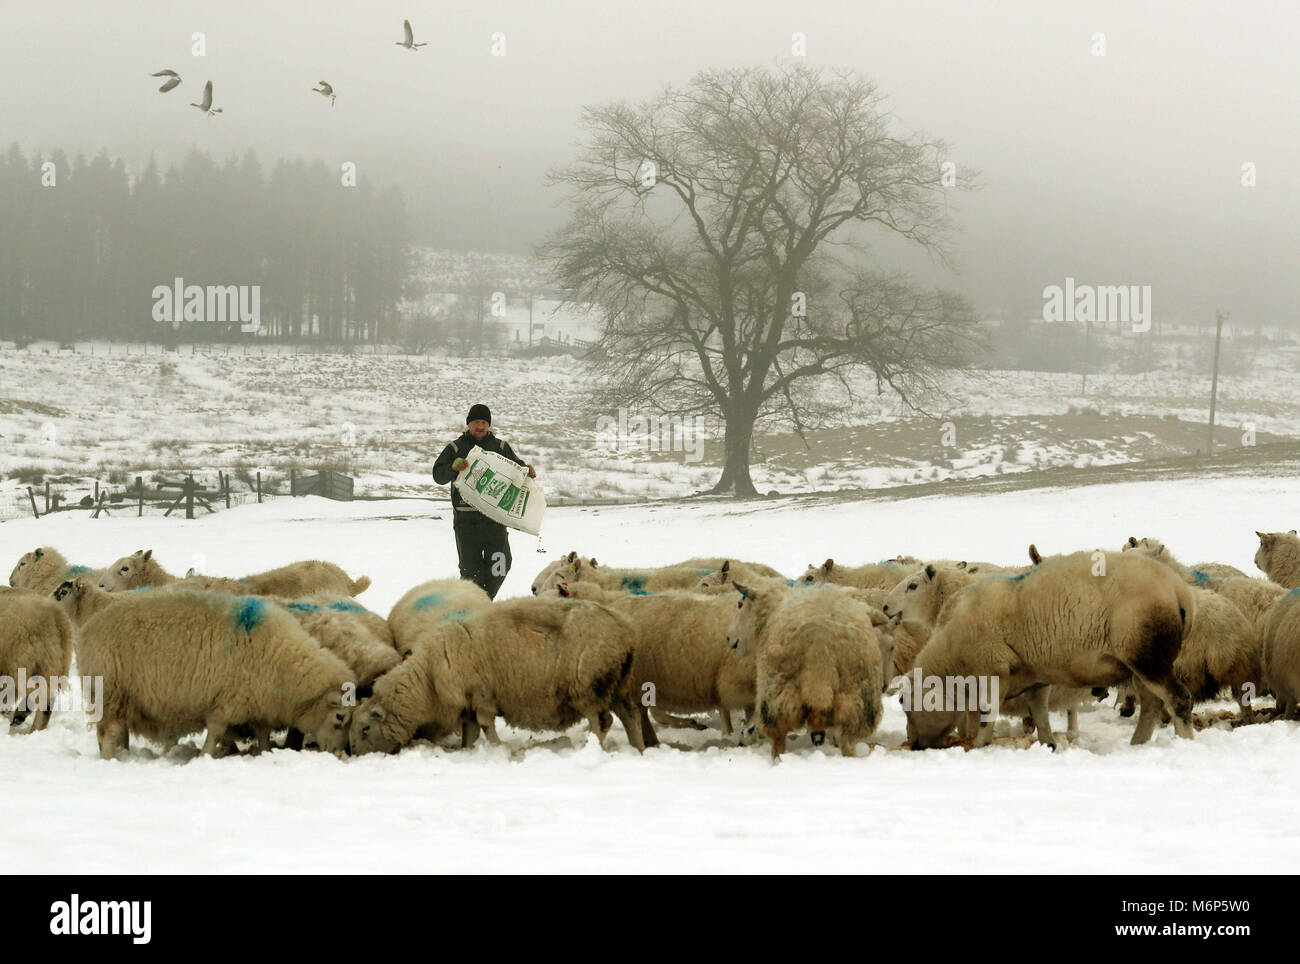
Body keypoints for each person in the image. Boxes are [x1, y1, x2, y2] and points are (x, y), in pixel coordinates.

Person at [432, 404, 536, 599]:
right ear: (468, 424)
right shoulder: (455, 447)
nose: (480, 426)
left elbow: (517, 470)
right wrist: (453, 468)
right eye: (476, 422)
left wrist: (527, 470)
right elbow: (438, 475)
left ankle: (482, 602)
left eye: (483, 422)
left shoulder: (501, 447)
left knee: (501, 566)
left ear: (488, 425)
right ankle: (473, 608)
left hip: (494, 520)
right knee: (470, 572)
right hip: (466, 521)